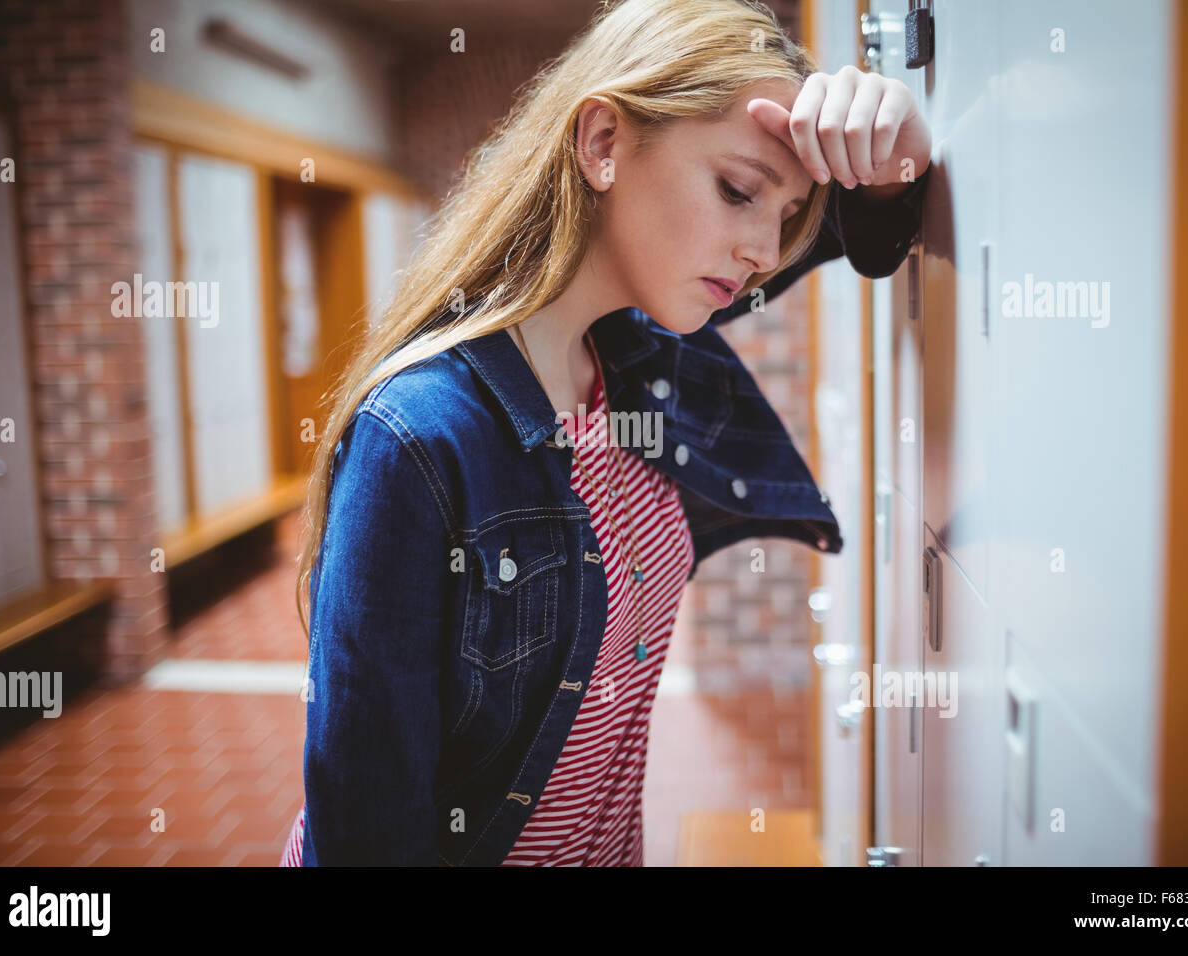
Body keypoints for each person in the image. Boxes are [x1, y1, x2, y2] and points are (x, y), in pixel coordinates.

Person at [279, 0, 931, 867]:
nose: (765, 251)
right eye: (738, 190)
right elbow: (366, 832)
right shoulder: (422, 437)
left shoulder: (638, 354)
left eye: (784, 214)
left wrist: (896, 131)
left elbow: (872, 226)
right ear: (602, 144)